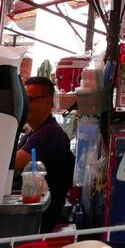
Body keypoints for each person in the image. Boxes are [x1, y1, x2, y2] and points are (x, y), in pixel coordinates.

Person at [15, 77, 74, 232]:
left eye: (31, 99)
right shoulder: (34, 132)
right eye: (24, 100)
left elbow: (14, 162)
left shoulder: (49, 133)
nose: (25, 105)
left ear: (48, 101)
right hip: (31, 211)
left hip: (39, 218)